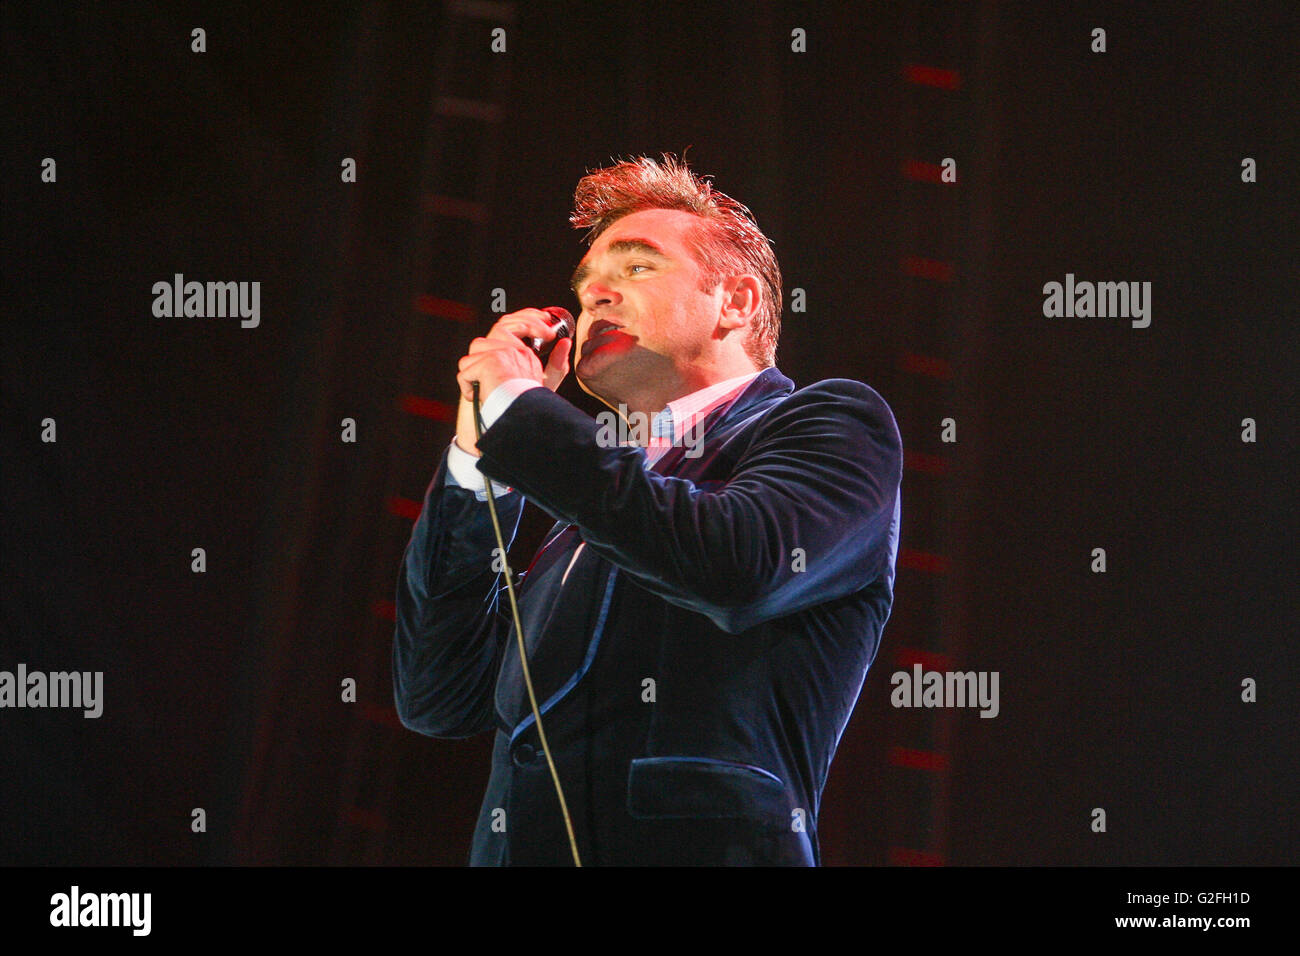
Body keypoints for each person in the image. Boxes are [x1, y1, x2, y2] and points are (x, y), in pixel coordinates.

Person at [392, 154, 903, 865]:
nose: (594, 295)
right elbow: (438, 694)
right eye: (586, 284)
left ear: (738, 303)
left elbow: (737, 564)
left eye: (635, 268)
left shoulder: (831, 425)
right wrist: (480, 458)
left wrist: (522, 414)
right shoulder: (584, 509)